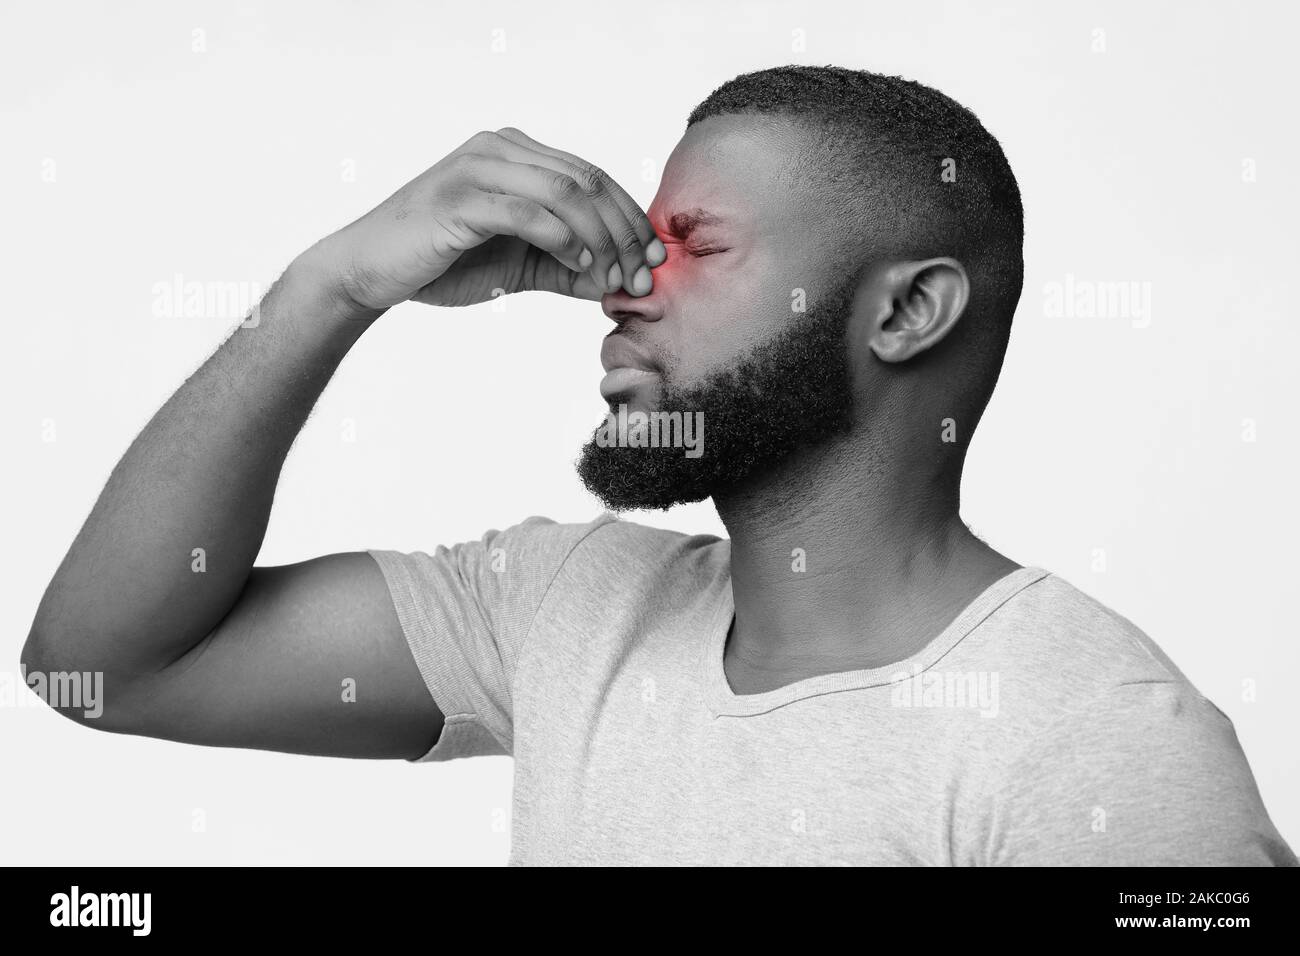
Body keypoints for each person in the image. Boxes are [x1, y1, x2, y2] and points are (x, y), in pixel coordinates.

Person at [22, 65, 1296, 865]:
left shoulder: (1103, 747)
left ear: (906, 313)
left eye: (694, 245)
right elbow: (106, 663)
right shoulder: (561, 611)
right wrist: (334, 284)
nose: (624, 288)